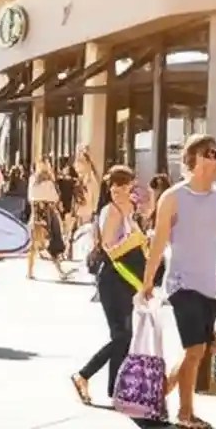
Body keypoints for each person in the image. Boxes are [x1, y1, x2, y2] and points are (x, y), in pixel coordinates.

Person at [140, 134, 216, 429]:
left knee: (199, 351)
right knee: (195, 350)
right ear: (191, 160)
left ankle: (160, 393)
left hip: (209, 284)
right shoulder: (173, 197)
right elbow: (157, 244)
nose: (213, 159)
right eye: (208, 153)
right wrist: (147, 283)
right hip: (181, 284)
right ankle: (185, 414)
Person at [71, 165, 147, 406]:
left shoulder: (128, 210)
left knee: (124, 335)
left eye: (125, 186)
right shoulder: (110, 211)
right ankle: (84, 374)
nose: (121, 190)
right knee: (121, 335)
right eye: (117, 186)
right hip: (112, 278)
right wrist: (134, 240)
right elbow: (109, 248)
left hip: (127, 280)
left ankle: (115, 391)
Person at [27, 159, 67, 281]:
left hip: (37, 214)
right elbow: (54, 198)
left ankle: (30, 271)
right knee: (52, 242)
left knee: (34, 245)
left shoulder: (33, 180)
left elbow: (31, 197)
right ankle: (59, 271)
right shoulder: (48, 182)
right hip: (47, 214)